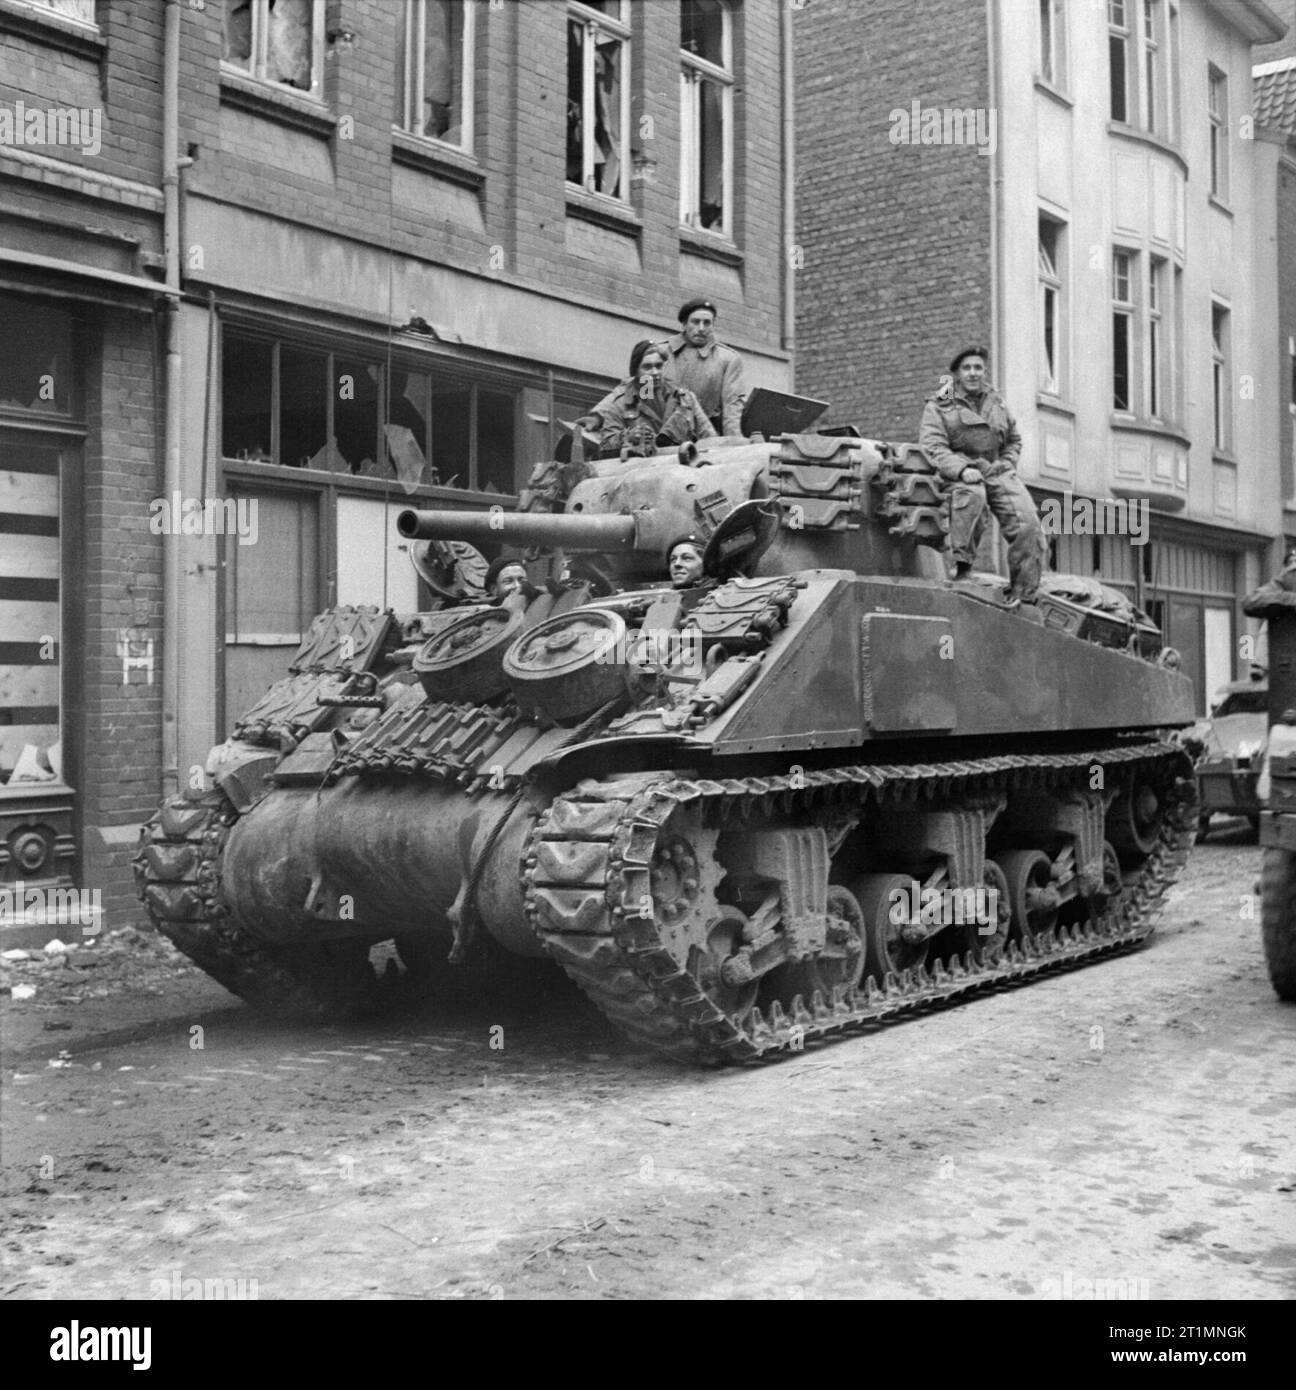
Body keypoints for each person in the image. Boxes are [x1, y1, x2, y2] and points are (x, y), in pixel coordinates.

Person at [918, 345, 1047, 604]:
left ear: (984, 371)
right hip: (958, 472)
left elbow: (1013, 440)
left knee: (1029, 523)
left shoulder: (996, 402)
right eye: (967, 368)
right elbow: (932, 445)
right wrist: (962, 469)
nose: (973, 373)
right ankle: (963, 569)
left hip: (996, 469)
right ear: (956, 374)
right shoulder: (940, 405)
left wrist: (1007, 463)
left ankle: (1024, 593)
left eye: (978, 367)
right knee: (972, 498)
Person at [596, 340, 715, 458]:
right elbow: (605, 446)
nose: (654, 372)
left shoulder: (684, 399)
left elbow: (710, 438)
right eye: (647, 367)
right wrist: (628, 437)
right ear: (635, 371)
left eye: (658, 366)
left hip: (681, 466)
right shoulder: (622, 404)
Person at [658, 299, 747, 436]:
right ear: (684, 324)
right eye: (695, 322)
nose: (701, 328)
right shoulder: (658, 353)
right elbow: (644, 396)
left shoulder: (728, 359)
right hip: (659, 438)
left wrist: (733, 445)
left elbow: (732, 409)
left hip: (703, 439)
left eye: (707, 323)